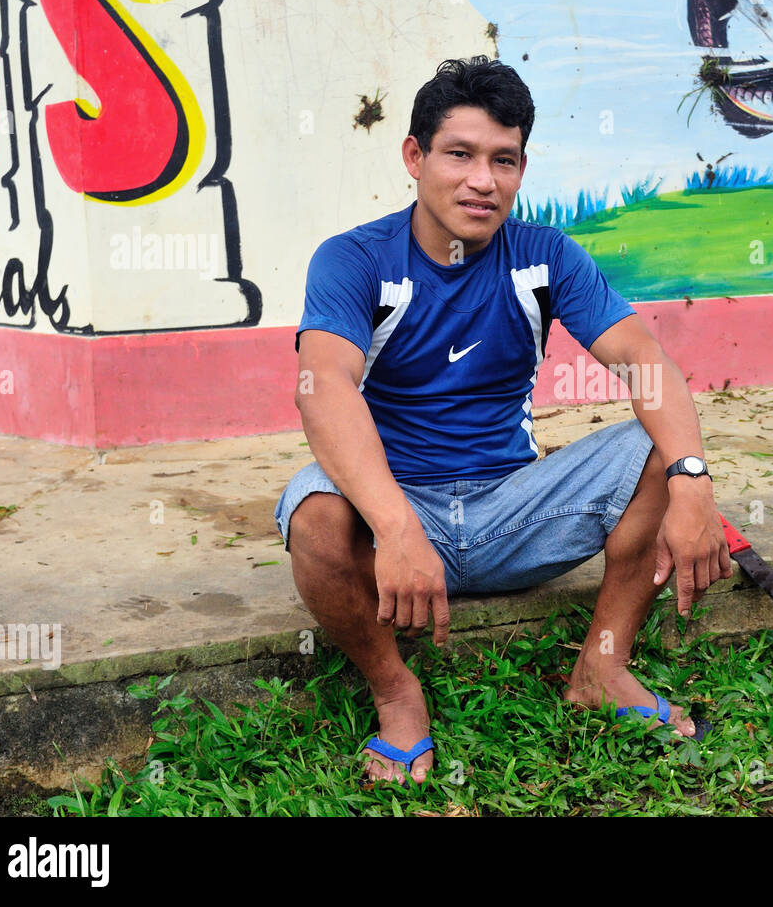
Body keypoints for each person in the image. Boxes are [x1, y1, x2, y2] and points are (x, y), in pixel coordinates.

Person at [273, 55, 732, 786]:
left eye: (504, 160)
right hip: (401, 515)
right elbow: (322, 388)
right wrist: (394, 524)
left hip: (515, 511)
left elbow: (643, 357)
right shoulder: (355, 260)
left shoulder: (545, 256)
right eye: (460, 154)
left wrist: (694, 479)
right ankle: (397, 694)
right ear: (415, 157)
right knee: (314, 513)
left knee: (661, 446)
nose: (483, 180)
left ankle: (602, 667)